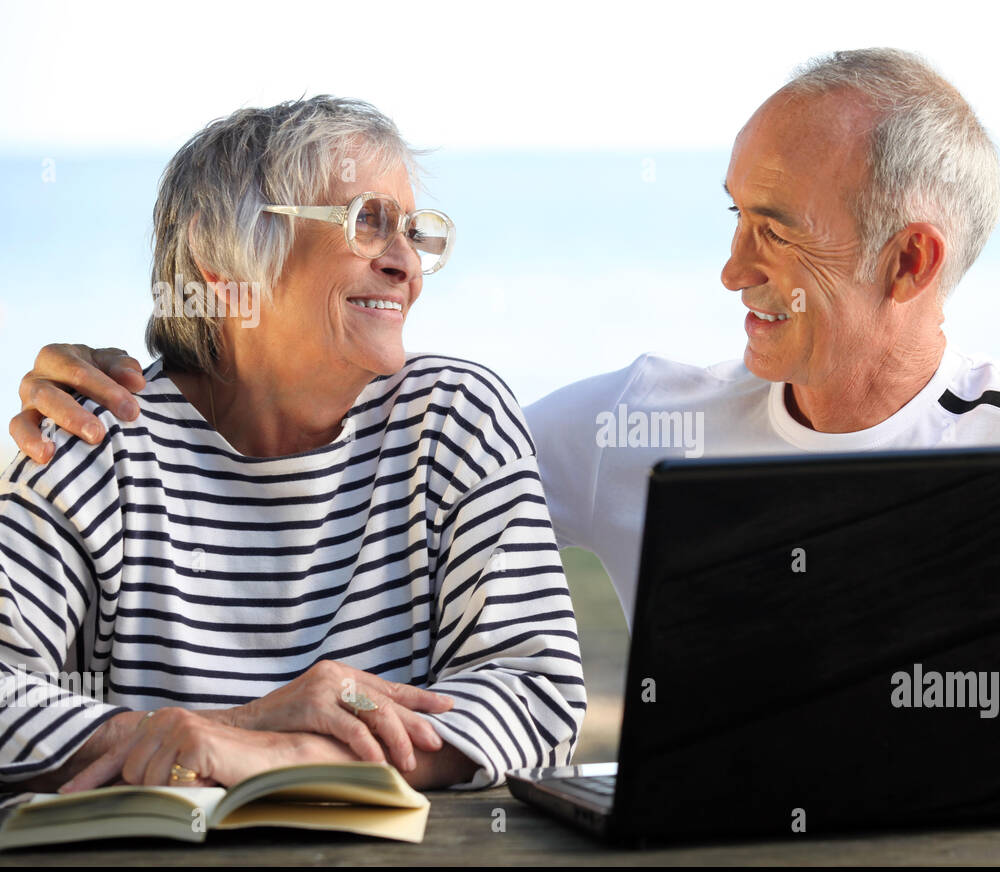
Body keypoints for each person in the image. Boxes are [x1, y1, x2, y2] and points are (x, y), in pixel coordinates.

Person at [14, 51, 1000, 825]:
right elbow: (334, 444)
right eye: (731, 213)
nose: (726, 264)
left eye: (773, 228)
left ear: (909, 259)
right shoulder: (620, 419)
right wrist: (142, 364)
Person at [0, 95, 584, 794]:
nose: (407, 264)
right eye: (367, 223)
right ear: (222, 261)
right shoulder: (97, 445)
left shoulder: (455, 421)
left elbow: (536, 696)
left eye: (411, 230)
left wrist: (280, 759)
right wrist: (235, 727)